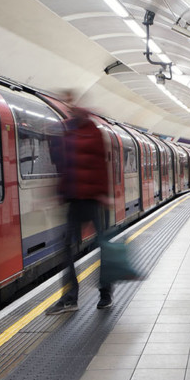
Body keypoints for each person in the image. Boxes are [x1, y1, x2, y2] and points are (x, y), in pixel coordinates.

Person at [50, 93, 112, 312]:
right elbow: (64, 167)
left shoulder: (91, 131)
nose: (70, 106)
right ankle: (70, 298)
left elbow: (100, 166)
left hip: (92, 199)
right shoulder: (68, 131)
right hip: (75, 199)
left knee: (100, 246)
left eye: (72, 103)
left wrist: (103, 193)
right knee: (67, 248)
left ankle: (104, 293)